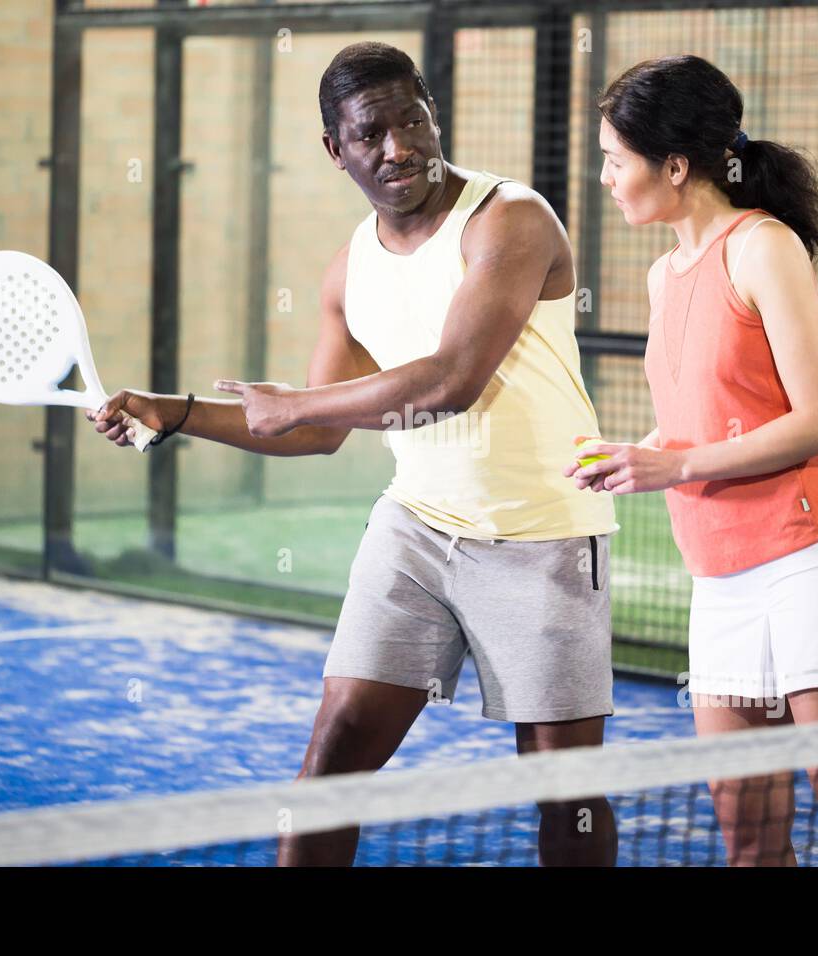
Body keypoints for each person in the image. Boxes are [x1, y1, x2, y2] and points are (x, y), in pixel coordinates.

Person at [87, 42, 619, 866]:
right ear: (337, 151)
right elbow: (315, 432)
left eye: (413, 120)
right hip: (414, 531)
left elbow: (450, 380)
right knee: (330, 765)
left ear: (433, 116)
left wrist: (295, 401)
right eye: (372, 133)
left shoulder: (510, 219)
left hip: (540, 534)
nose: (399, 147)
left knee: (563, 794)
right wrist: (178, 410)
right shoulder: (348, 271)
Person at [567, 54, 818, 866]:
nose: (604, 177)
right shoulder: (662, 276)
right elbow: (706, 421)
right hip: (720, 581)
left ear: (673, 166)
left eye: (614, 159)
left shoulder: (762, 246)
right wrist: (642, 454)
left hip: (807, 564)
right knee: (749, 837)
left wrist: (676, 465)